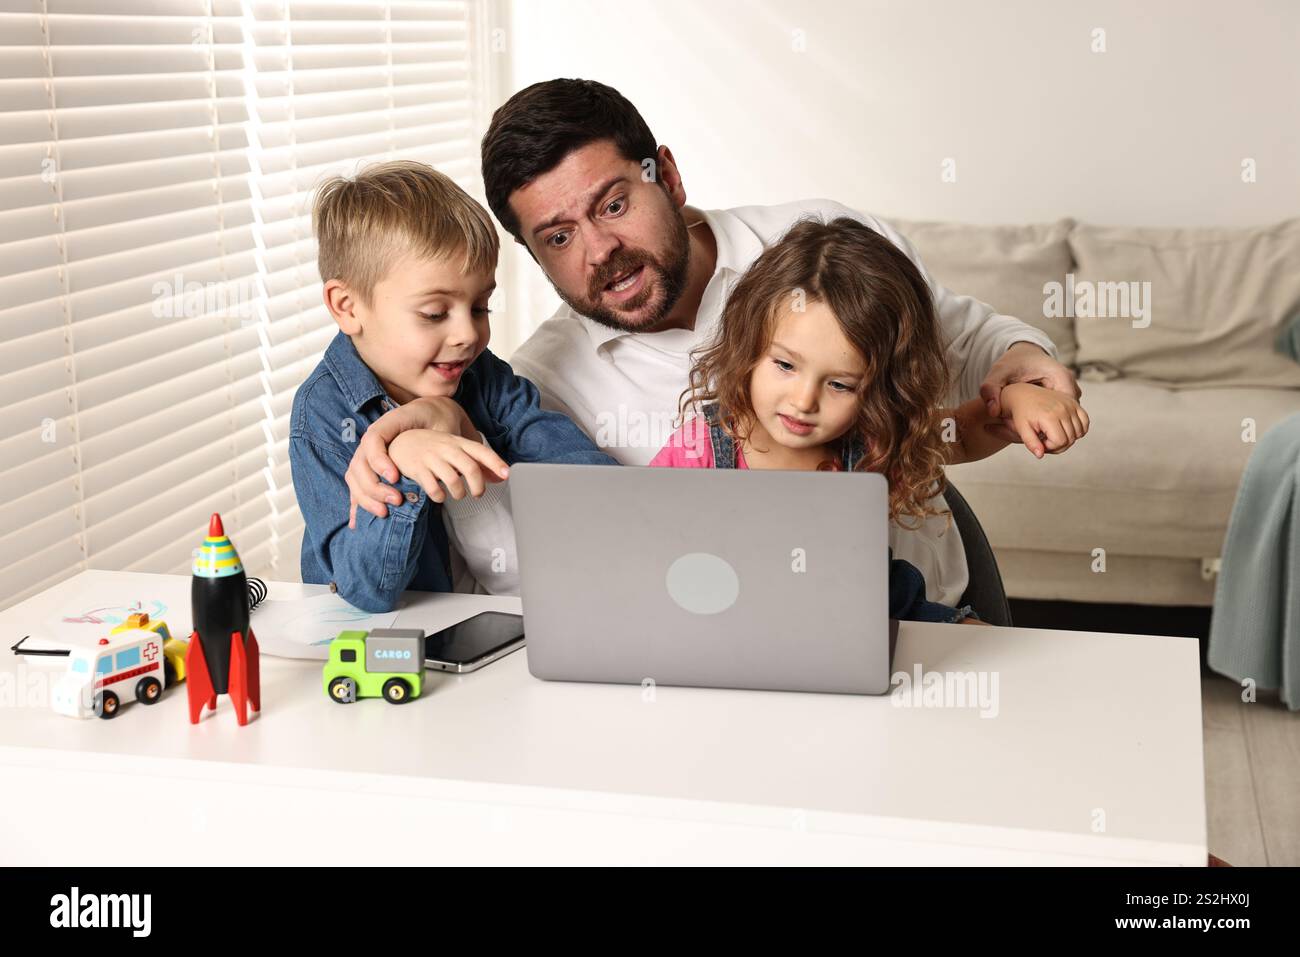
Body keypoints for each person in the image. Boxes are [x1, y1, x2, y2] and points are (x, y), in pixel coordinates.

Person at [347, 79, 1087, 605]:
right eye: (559, 237)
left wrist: (1022, 369)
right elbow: (541, 570)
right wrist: (437, 422)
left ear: (666, 176)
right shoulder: (540, 384)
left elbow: (965, 345)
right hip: (732, 648)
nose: (601, 250)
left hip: (921, 622)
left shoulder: (818, 248)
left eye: (613, 204)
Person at [649, 217, 1087, 623]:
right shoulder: (703, 448)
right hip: (736, 621)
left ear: (879, 389)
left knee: (984, 647)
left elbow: (965, 434)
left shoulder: (874, 439)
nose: (803, 401)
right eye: (785, 365)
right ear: (749, 347)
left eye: (840, 384)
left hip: (868, 617)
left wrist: (1017, 398)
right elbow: (648, 534)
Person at [289, 161, 615, 612]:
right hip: (393, 636)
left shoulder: (481, 375)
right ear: (347, 307)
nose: (467, 335)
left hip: (491, 621)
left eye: (480, 307)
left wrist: (460, 425)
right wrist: (402, 464)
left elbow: (597, 490)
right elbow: (366, 589)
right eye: (435, 313)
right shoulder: (323, 415)